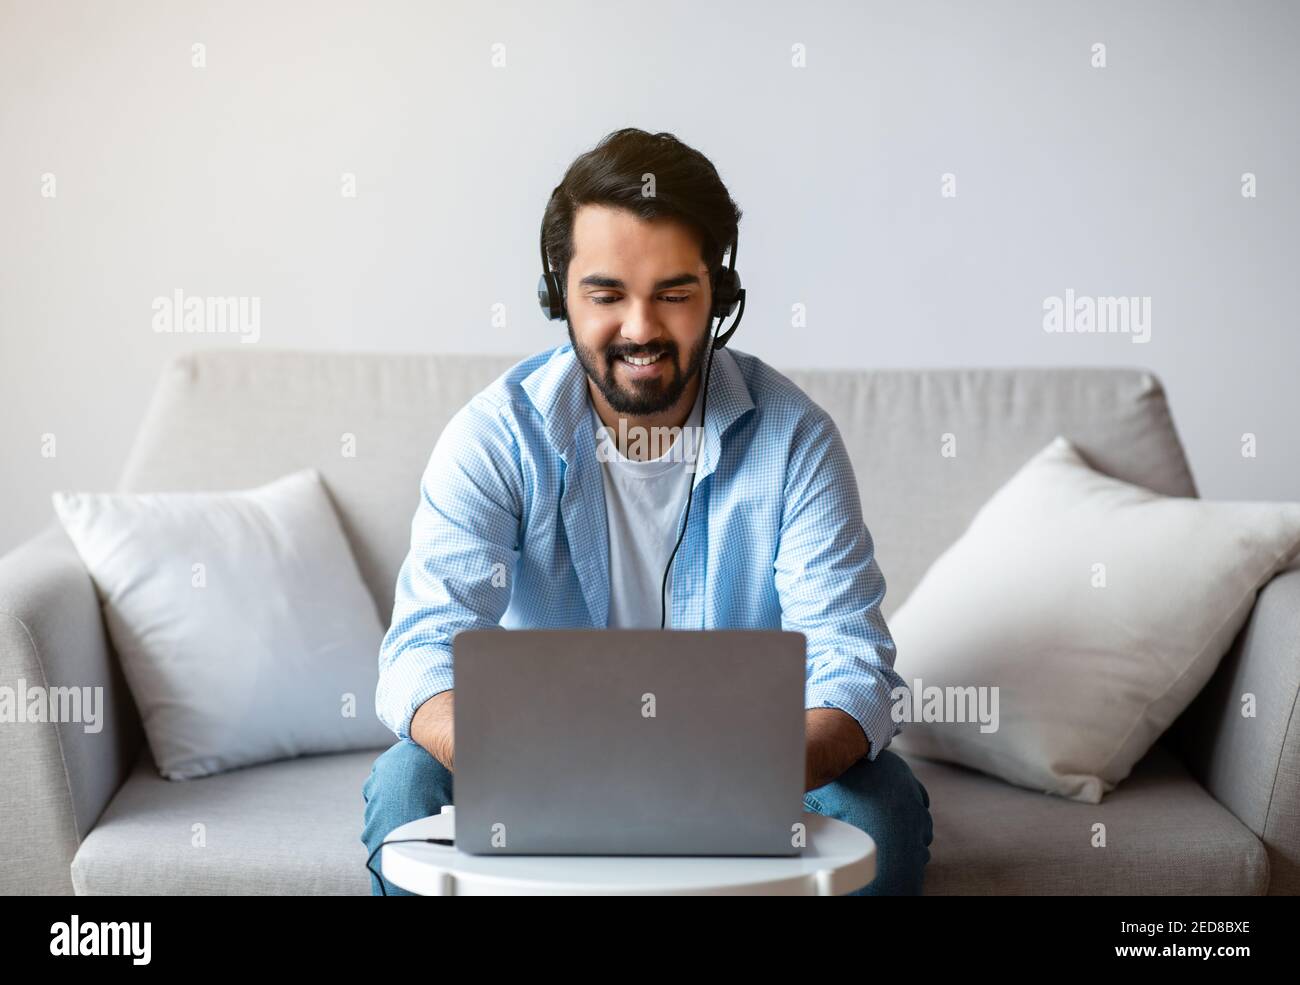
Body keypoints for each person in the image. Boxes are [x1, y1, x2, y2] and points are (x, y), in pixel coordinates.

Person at [362, 127, 932, 896]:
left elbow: (854, 664)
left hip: (749, 766)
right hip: (536, 762)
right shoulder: (496, 438)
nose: (640, 328)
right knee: (404, 785)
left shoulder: (795, 439)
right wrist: (525, 763)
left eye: (673, 293)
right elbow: (419, 653)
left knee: (883, 806)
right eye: (606, 295)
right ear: (555, 295)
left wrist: (746, 773)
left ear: (720, 298)